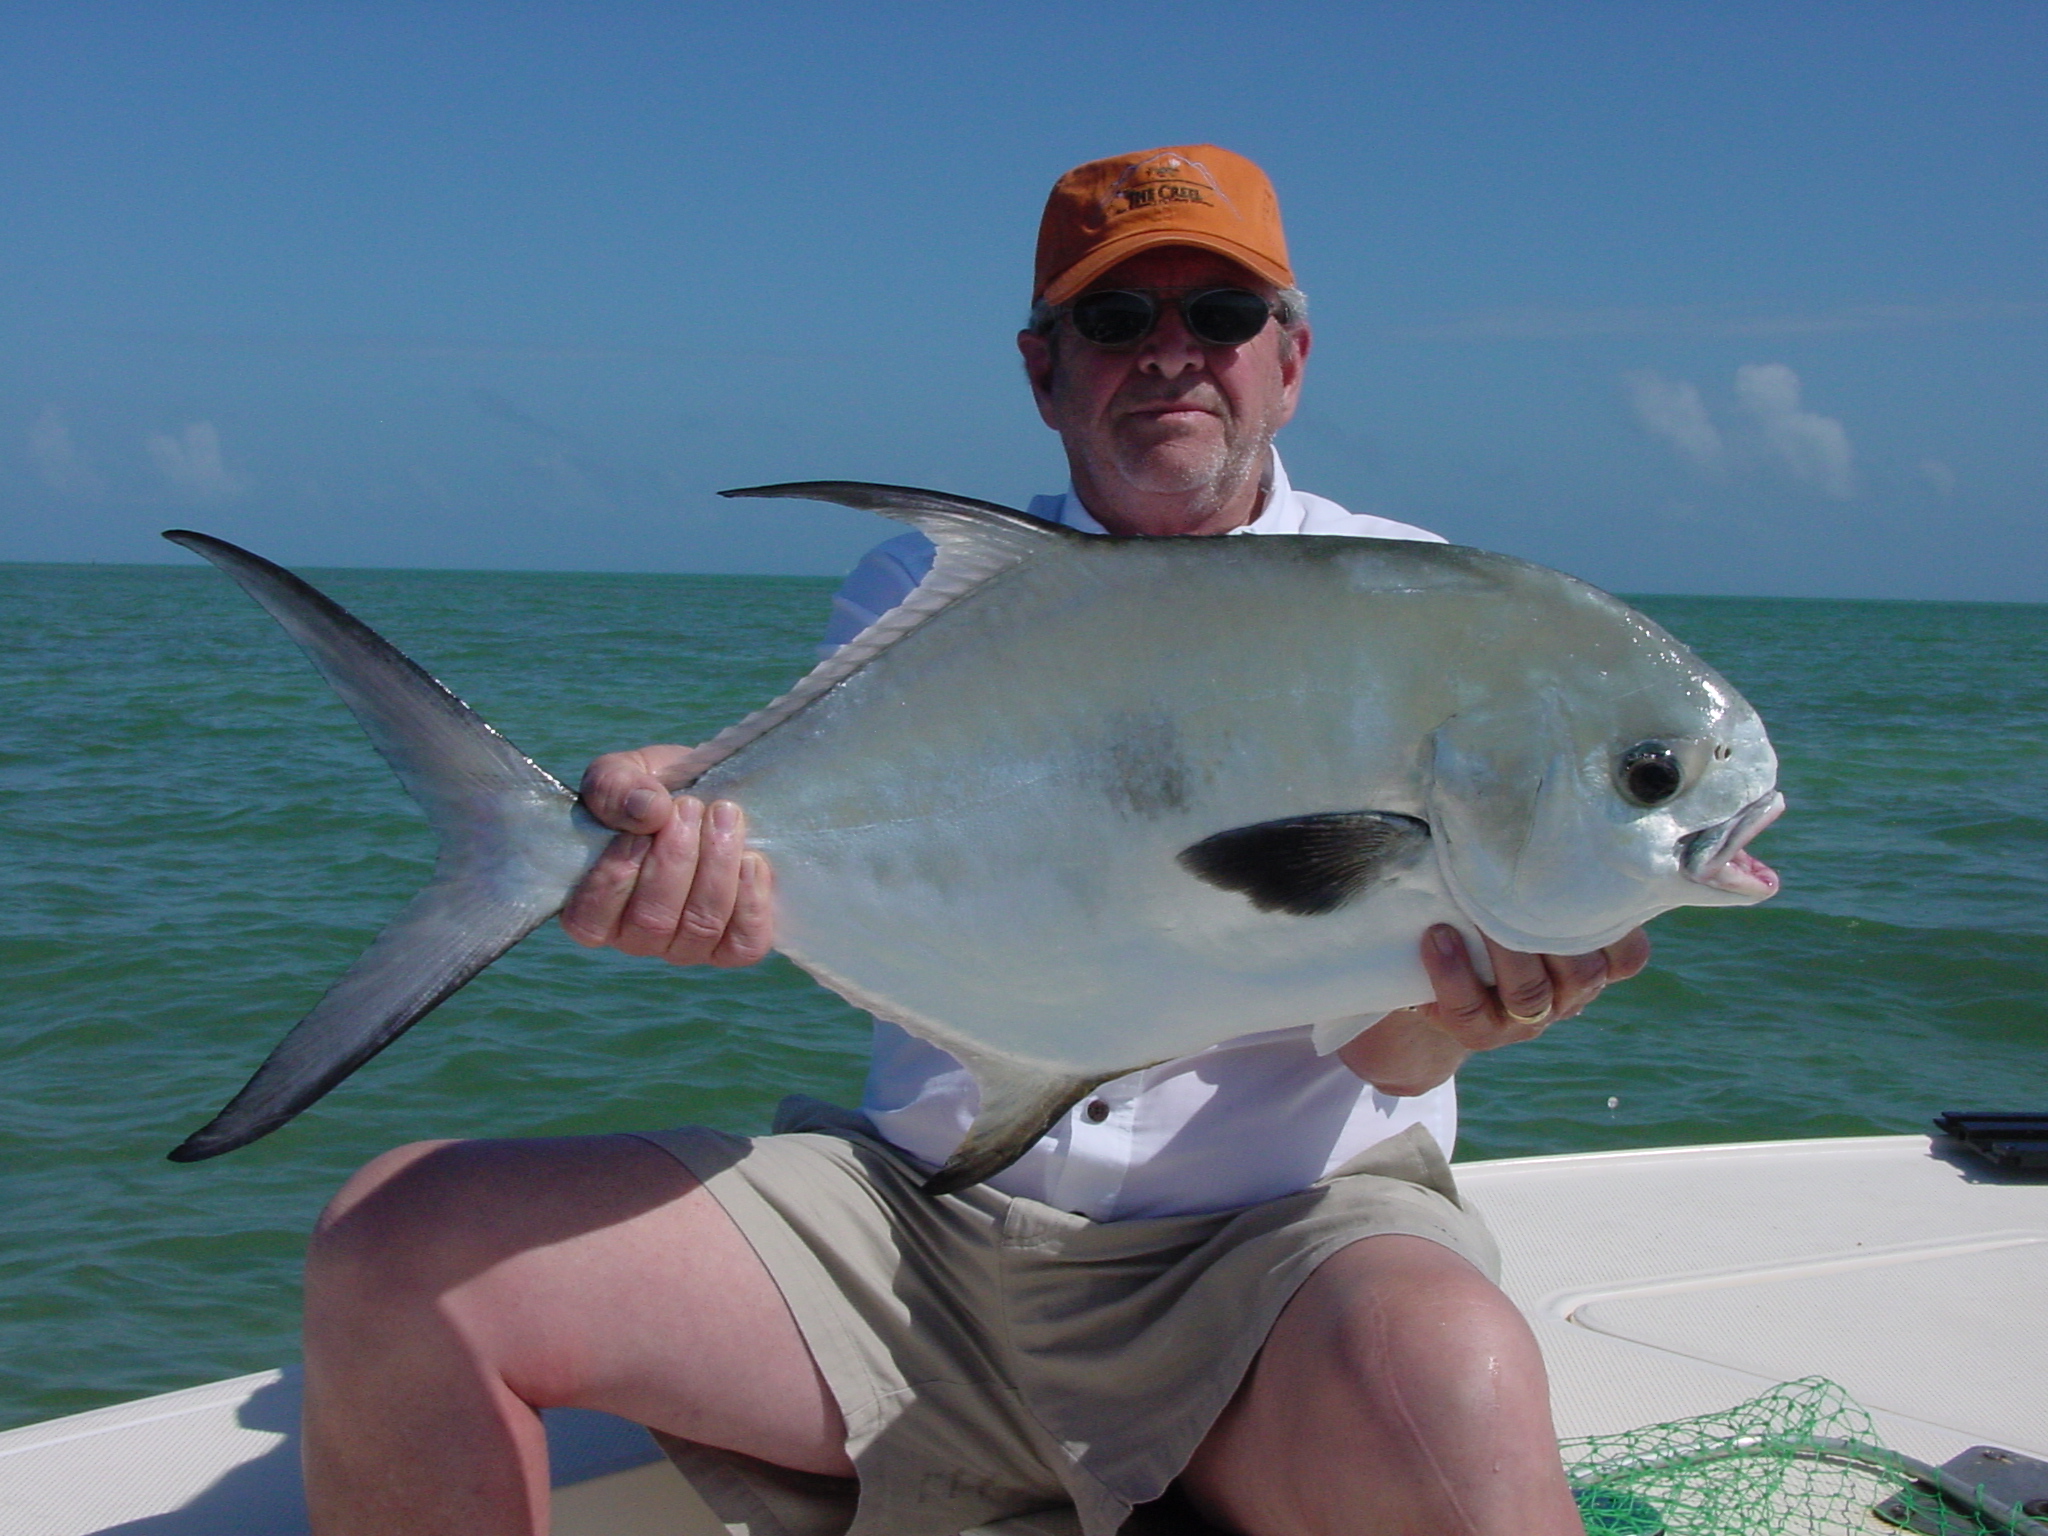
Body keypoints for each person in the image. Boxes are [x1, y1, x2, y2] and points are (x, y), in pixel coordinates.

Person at [301, 146, 1648, 1536]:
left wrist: (1459, 1019)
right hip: (921, 1240)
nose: (1173, 357)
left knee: (1465, 1378)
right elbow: (821, 827)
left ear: (1291, 360)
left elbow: (1384, 1055)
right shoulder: (925, 586)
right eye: (1118, 322)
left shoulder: (1429, 614)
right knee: (400, 1244)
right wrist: (660, 842)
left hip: (1266, 1278)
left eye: (1223, 318)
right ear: (1042, 371)